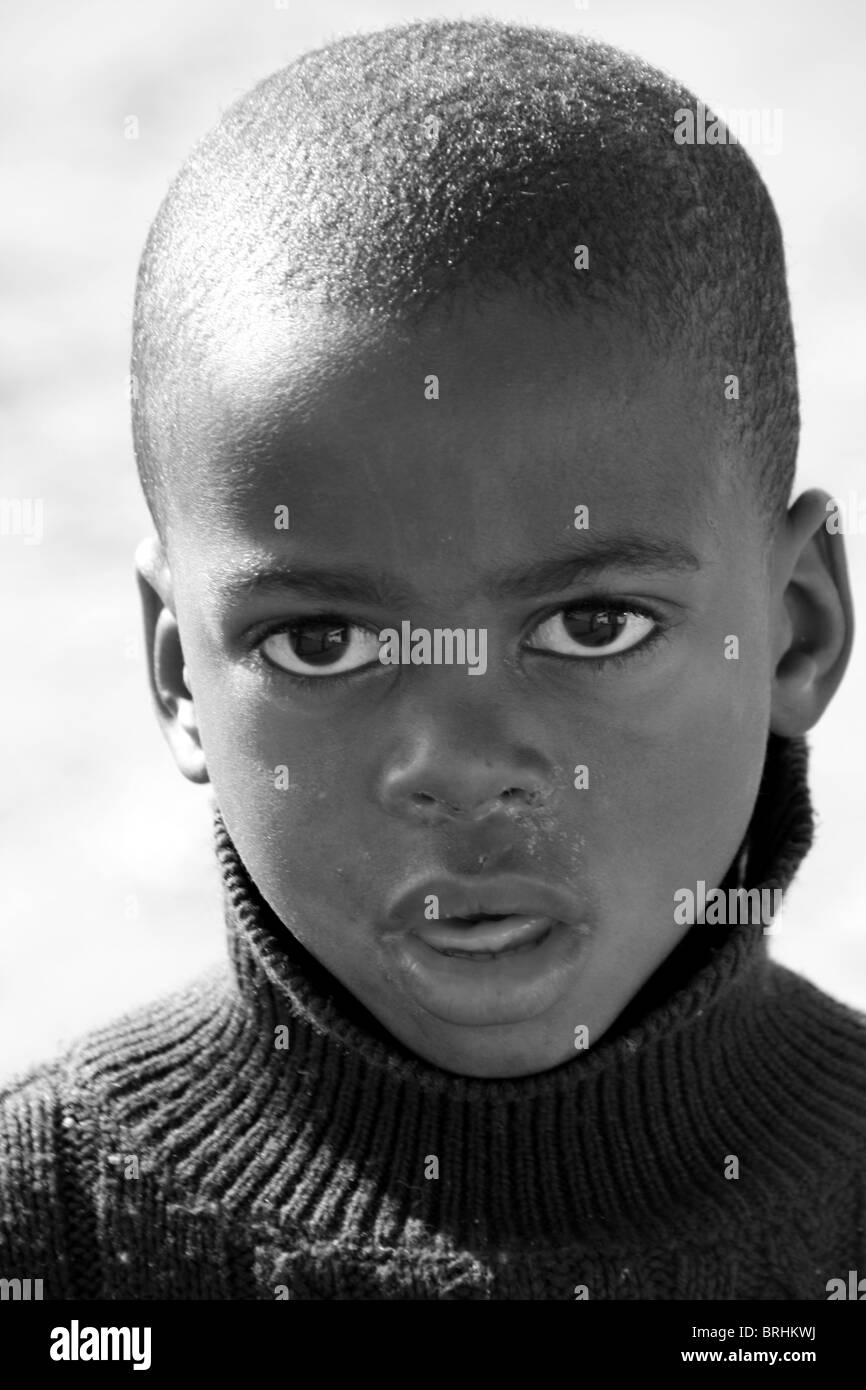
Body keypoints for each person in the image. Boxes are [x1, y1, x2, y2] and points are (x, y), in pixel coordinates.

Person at [1, 17, 863, 1300]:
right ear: (179, 673)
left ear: (793, 628)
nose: (458, 769)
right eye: (321, 641)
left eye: (591, 625)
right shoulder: (46, 1239)